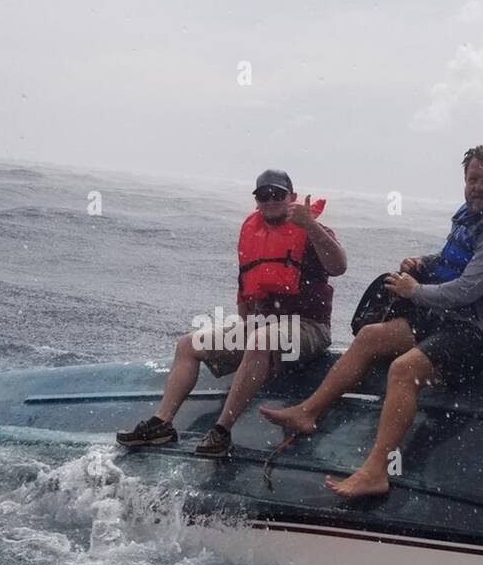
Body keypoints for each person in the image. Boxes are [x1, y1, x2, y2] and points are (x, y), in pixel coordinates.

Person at [261, 144, 483, 496]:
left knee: (403, 370)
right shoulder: (474, 215)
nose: (479, 186)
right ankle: (307, 411)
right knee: (371, 337)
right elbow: (449, 260)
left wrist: (413, 291)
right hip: (454, 318)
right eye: (474, 179)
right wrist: (422, 263)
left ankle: (376, 472)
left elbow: (467, 289)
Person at [117, 169, 346, 457]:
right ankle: (162, 424)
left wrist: (311, 227)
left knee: (261, 339)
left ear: (292, 198)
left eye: (278, 194)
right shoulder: (252, 233)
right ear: (257, 201)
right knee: (188, 344)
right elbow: (245, 294)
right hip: (264, 329)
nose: (271, 200)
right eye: (264, 195)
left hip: (309, 327)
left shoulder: (314, 231)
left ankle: (221, 431)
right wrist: (250, 350)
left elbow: (339, 266)